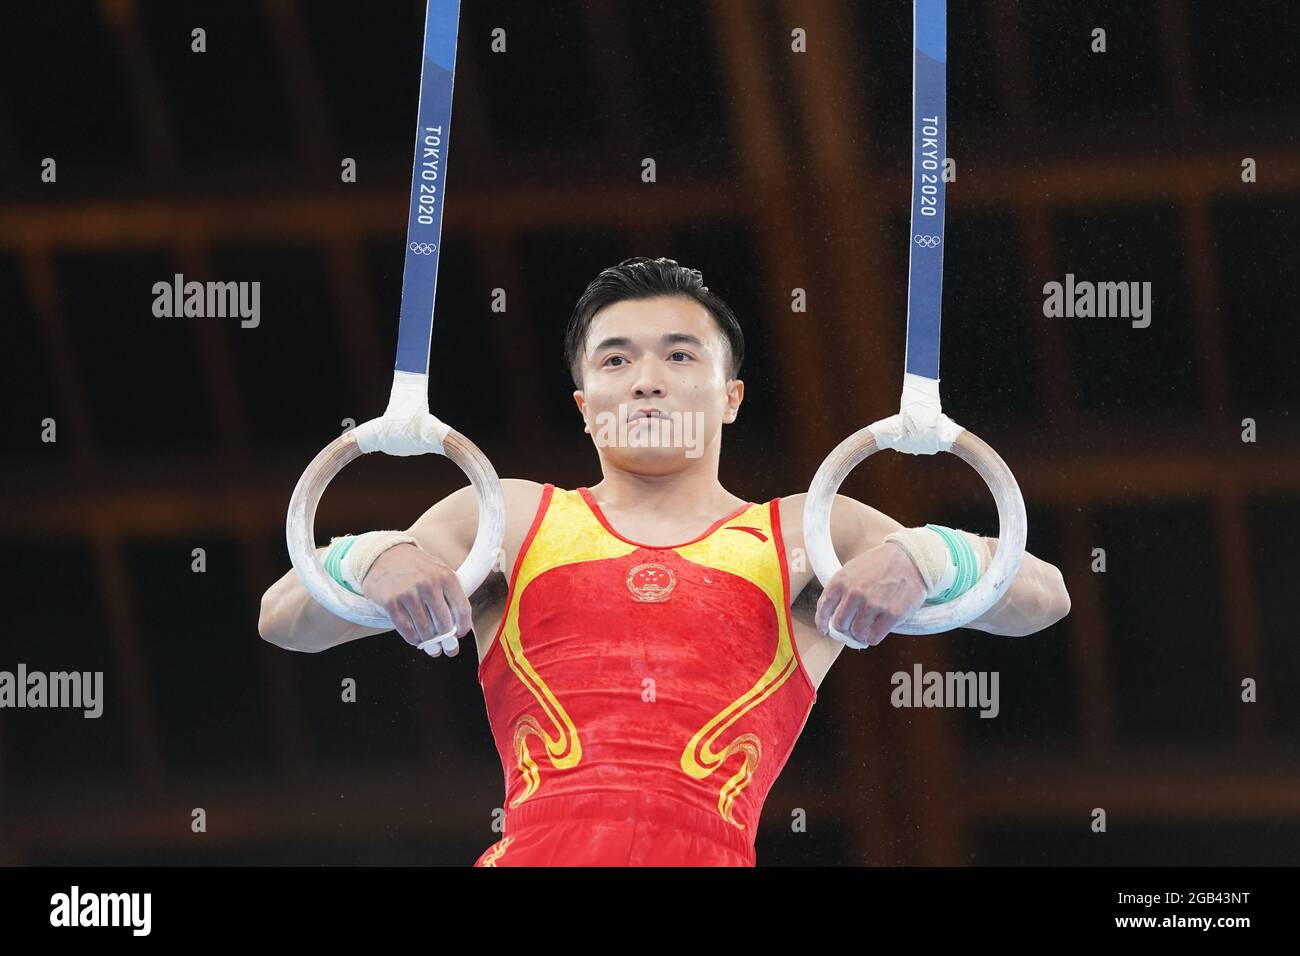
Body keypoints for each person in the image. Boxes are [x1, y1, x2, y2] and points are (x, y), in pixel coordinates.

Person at [258, 256, 1071, 866]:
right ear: (584, 406)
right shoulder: (506, 517)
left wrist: (926, 556)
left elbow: (1043, 595)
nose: (646, 381)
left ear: (731, 397)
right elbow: (284, 618)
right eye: (615, 361)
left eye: (681, 357)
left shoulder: (803, 536)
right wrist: (379, 560)